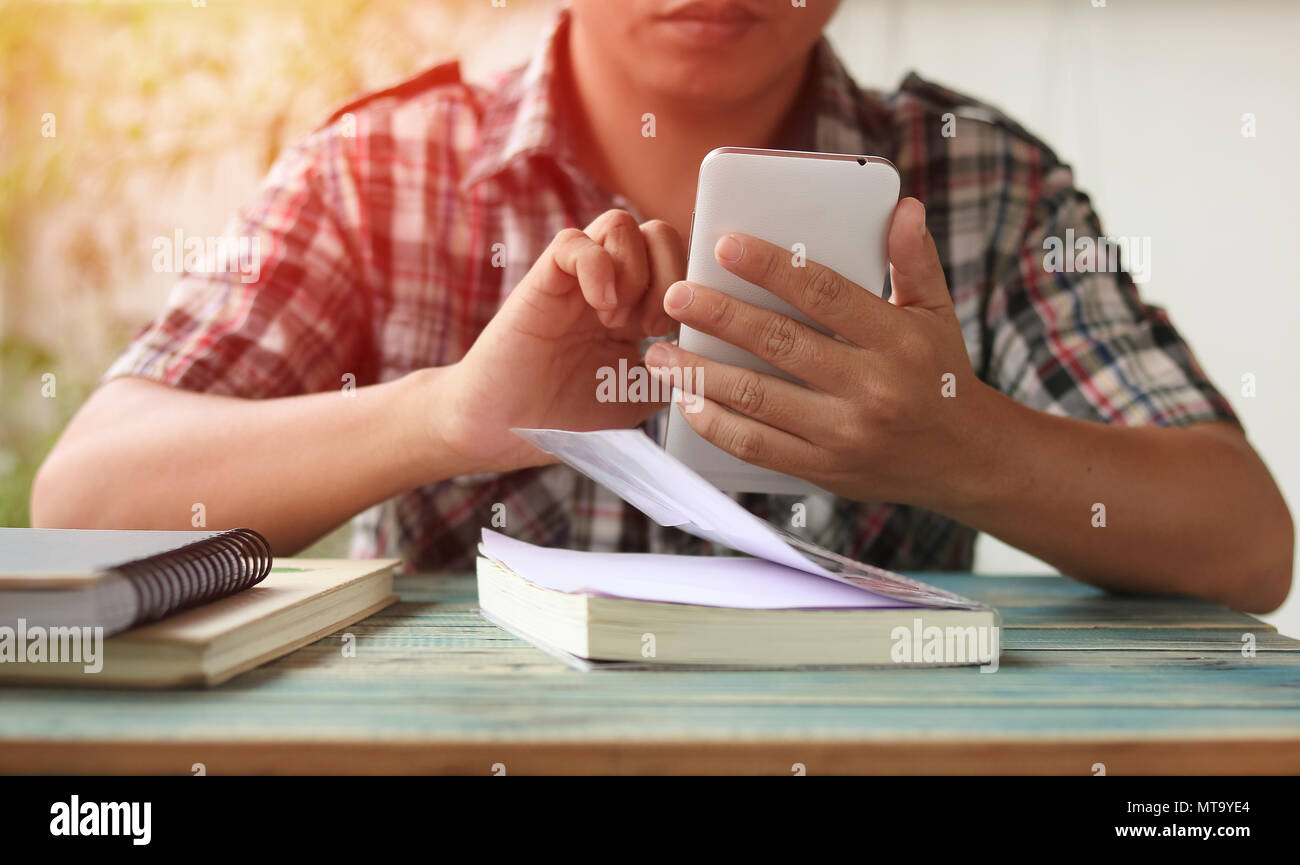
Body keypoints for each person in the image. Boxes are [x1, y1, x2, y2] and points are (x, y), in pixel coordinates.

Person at [31, 1, 1292, 612]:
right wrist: (447, 416)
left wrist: (967, 446)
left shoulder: (979, 178)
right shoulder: (377, 171)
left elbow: (1244, 541)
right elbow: (84, 504)